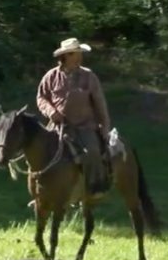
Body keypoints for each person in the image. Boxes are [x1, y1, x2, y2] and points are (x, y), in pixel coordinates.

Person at [36, 37, 112, 197]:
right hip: (58, 127)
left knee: (92, 151)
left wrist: (104, 126)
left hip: (84, 126)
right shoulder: (51, 76)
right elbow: (41, 98)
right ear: (65, 56)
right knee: (40, 153)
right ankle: (41, 193)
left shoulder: (89, 76)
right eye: (75, 54)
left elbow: (100, 103)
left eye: (79, 54)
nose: (79, 57)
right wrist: (51, 112)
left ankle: (94, 188)